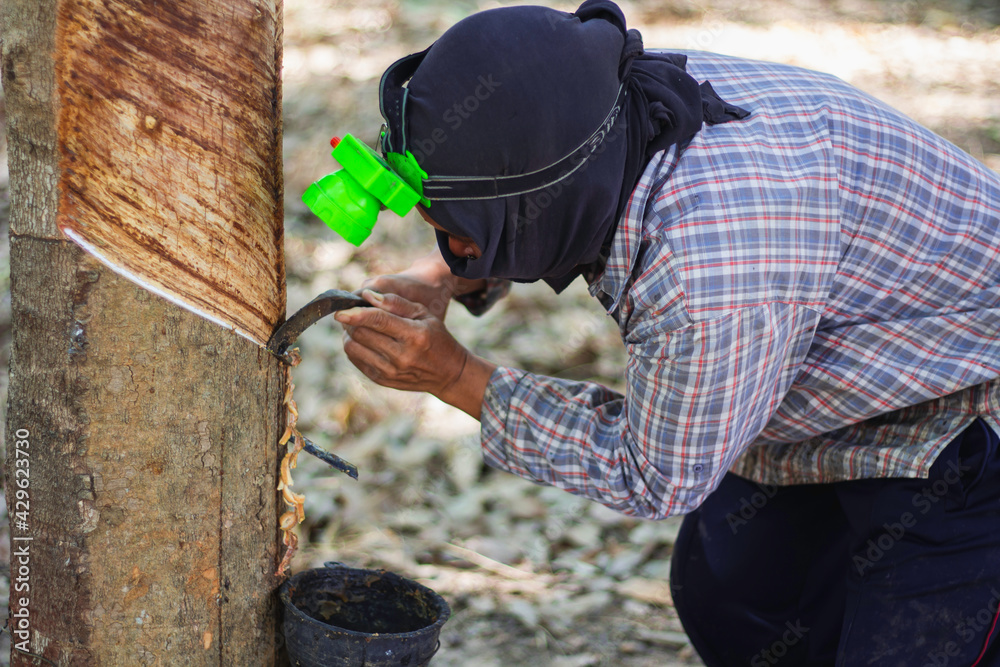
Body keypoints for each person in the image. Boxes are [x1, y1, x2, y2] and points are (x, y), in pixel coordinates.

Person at [331, 1, 1000, 664]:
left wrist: (457, 377)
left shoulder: (703, 272)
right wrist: (451, 271)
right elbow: (545, 200)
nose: (445, 243)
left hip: (960, 415)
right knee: (732, 591)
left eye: (454, 230)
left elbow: (652, 472)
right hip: (844, 362)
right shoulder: (617, 103)